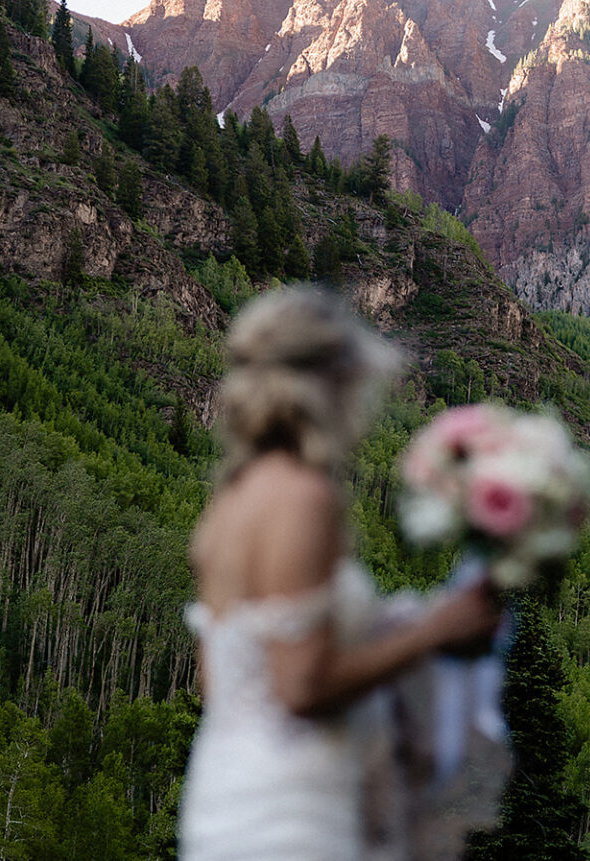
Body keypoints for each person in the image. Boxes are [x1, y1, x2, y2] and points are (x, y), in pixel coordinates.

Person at [180, 287, 501, 861]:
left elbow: (216, 680)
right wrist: (433, 632)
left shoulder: (228, 502)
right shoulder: (303, 498)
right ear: (329, 386)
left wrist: (386, 629)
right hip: (295, 812)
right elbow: (300, 687)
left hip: (223, 799)